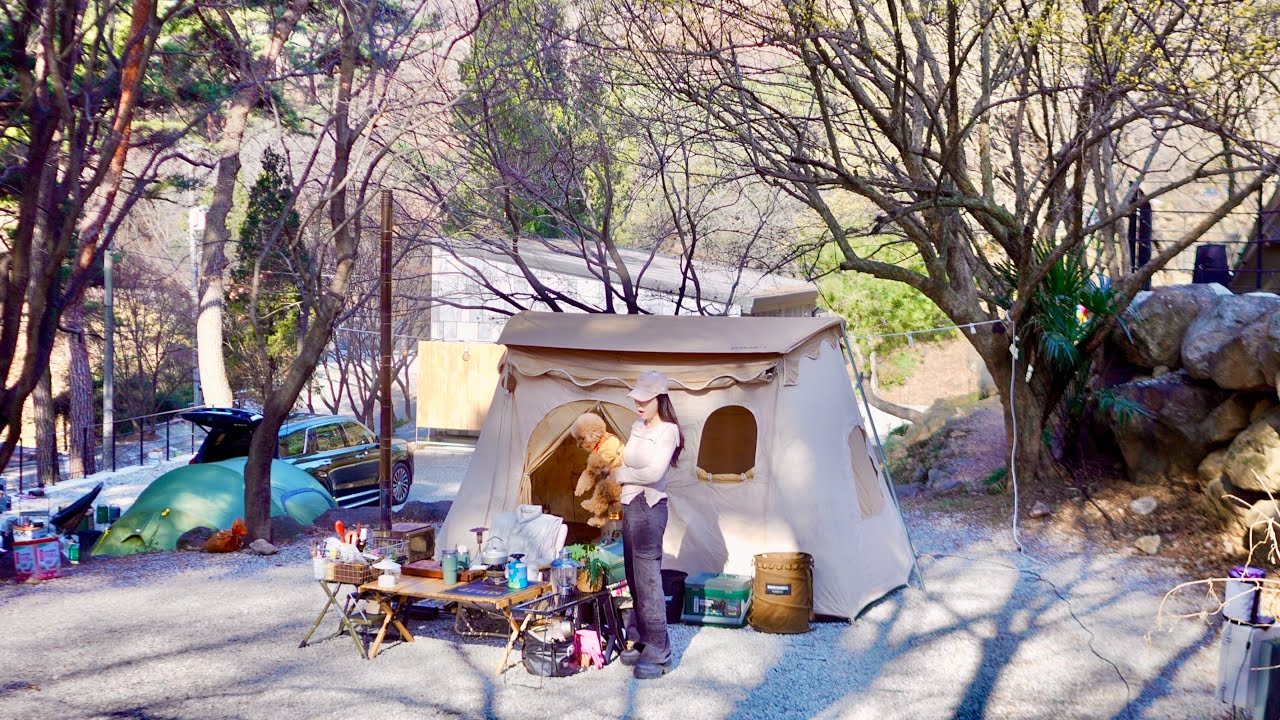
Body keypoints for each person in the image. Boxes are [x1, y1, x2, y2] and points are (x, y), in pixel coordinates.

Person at [614, 370, 684, 680]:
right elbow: (629, 461)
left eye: (645, 398)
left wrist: (622, 475)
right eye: (637, 398)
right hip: (630, 505)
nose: (639, 403)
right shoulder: (637, 426)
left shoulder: (669, 431)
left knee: (649, 580)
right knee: (633, 576)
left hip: (650, 508)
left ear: (660, 399)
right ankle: (642, 639)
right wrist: (626, 474)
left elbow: (654, 472)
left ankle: (660, 651)